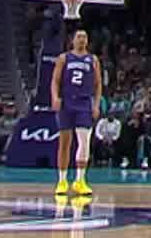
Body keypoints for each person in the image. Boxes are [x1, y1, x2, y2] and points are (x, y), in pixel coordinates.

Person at [48, 28, 101, 197]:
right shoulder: (64, 58)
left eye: (84, 36)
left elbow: (98, 85)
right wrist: (55, 97)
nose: (82, 39)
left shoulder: (93, 60)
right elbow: (55, 81)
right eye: (79, 36)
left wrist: (96, 105)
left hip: (84, 102)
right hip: (67, 101)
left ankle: (80, 180)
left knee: (84, 141)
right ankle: (62, 180)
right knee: (65, 142)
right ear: (73, 40)